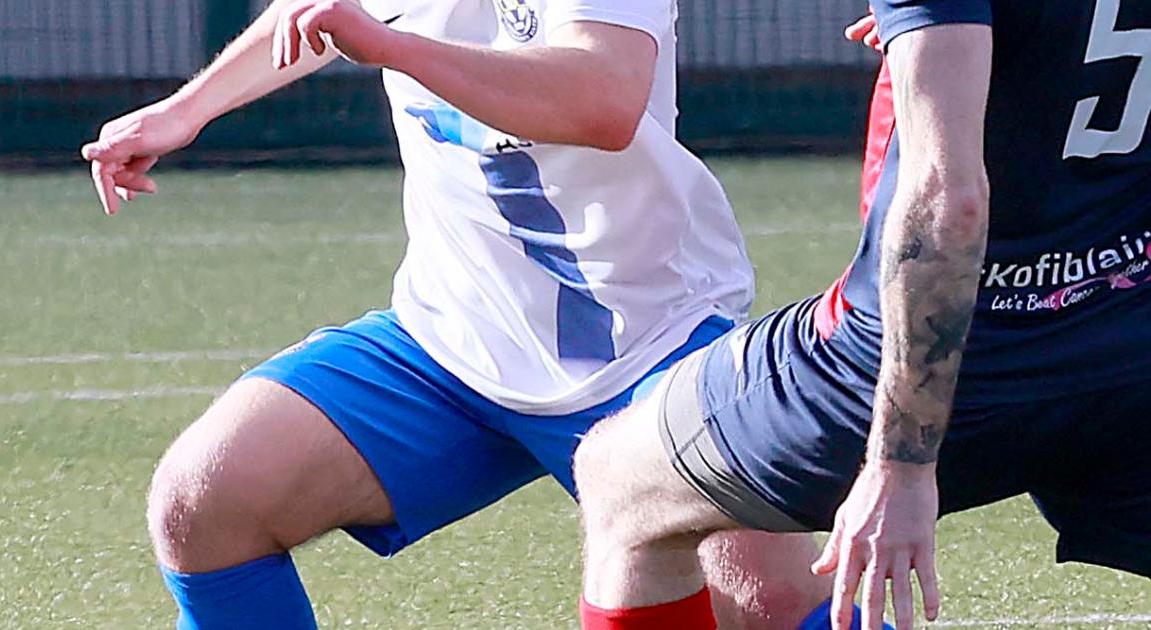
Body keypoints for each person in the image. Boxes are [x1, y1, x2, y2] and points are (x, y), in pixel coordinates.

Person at [81, 1, 864, 628]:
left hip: (650, 341)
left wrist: (392, 49)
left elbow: (604, 96)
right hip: (448, 342)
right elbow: (321, 15)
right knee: (204, 503)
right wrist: (189, 110)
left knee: (768, 606)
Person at [575, 1, 1151, 629]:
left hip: (955, 366)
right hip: (1127, 348)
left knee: (619, 479)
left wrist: (901, 466)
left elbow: (948, 200)